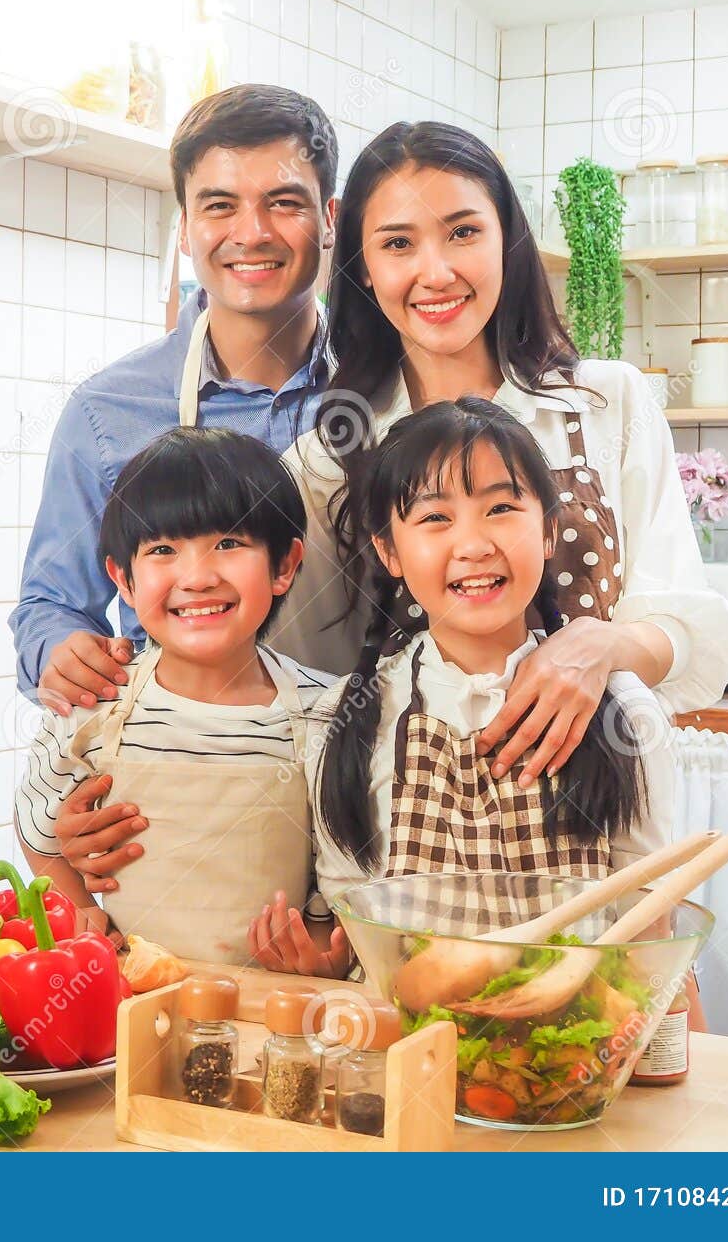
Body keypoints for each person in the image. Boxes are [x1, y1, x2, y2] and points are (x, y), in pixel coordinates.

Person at [266, 120, 728, 795]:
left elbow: (687, 624)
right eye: (398, 244)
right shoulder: (332, 456)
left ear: (506, 242)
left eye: (463, 232)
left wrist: (599, 647)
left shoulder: (606, 404)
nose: (436, 272)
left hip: (603, 808)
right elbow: (302, 683)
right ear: (364, 270)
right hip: (406, 831)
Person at [249, 399, 672, 978]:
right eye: (434, 519)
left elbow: (650, 931)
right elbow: (356, 939)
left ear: (549, 531)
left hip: (575, 1049)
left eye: (501, 507)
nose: (473, 545)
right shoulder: (341, 721)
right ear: (389, 552)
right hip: (407, 1048)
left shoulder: (622, 711)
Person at [11, 84, 339, 717]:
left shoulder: (391, 391)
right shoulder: (105, 413)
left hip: (364, 765)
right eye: (220, 205)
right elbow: (49, 606)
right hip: (180, 761)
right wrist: (59, 653)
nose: (252, 232)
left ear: (328, 219)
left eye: (284, 203)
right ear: (184, 229)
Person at [13, 427, 334, 966]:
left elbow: (343, 879)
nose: (197, 577)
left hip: (271, 1009)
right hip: (126, 1000)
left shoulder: (327, 711)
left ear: (283, 565)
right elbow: (38, 828)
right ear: (125, 580)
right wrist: (76, 914)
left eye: (229, 544)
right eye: (162, 550)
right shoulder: (96, 705)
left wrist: (319, 958)